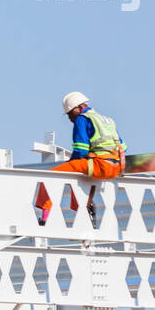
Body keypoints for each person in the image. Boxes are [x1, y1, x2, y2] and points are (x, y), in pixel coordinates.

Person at [38, 93, 126, 224]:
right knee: (78, 176)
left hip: (99, 165)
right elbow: (122, 147)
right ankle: (86, 208)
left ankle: (45, 217)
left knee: (50, 177)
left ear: (78, 108)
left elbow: (81, 150)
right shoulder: (107, 120)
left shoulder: (82, 119)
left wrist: (71, 162)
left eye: (70, 113)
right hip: (115, 168)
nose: (69, 118)